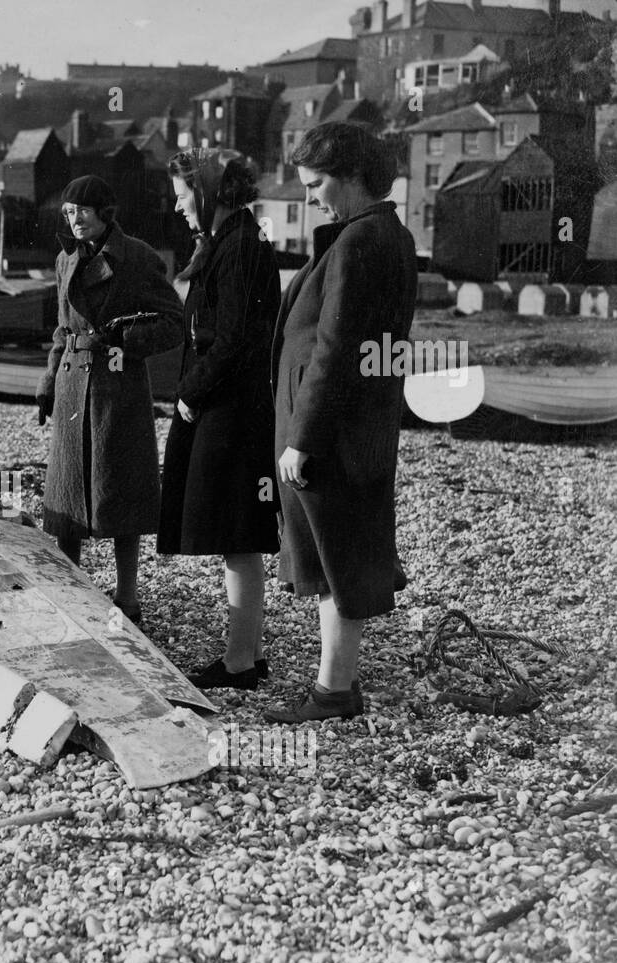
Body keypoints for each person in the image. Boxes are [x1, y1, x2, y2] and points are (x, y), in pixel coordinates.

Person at [263, 122, 417, 724]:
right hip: (359, 428)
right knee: (337, 559)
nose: (309, 197)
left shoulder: (360, 241)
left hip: (333, 433)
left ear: (353, 176)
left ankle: (334, 693)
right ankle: (334, 686)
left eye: (317, 183)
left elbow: (337, 348)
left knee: (337, 560)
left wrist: (304, 439)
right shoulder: (387, 234)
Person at [36, 175, 185, 624]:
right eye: (67, 212)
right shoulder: (65, 260)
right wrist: (47, 380)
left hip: (117, 387)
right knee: (65, 495)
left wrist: (127, 337)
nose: (74, 218)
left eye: (81, 209)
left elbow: (174, 322)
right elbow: (63, 329)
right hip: (70, 386)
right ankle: (74, 589)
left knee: (122, 491)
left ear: (105, 211)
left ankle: (127, 596)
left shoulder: (138, 257)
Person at [157, 149, 280, 690]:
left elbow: (231, 342)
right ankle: (247, 653)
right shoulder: (231, 244)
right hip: (228, 407)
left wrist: (189, 392)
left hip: (232, 411)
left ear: (206, 194)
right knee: (239, 535)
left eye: (183, 197)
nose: (178, 207)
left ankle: (239, 662)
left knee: (237, 536)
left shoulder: (239, 251)